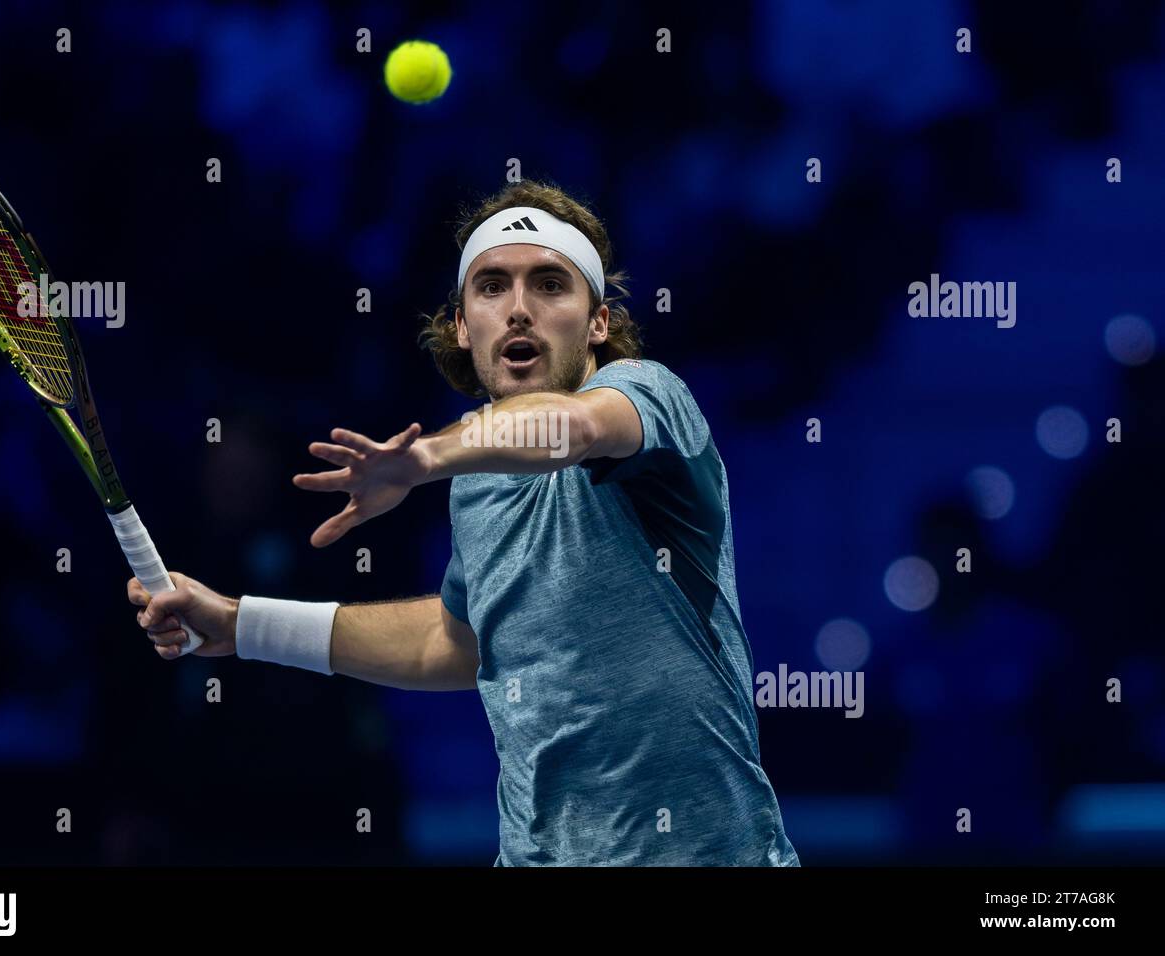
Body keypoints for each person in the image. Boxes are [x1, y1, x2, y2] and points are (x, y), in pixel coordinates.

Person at [129, 180, 799, 866]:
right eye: (491, 287)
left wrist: (422, 458)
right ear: (460, 323)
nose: (518, 310)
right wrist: (244, 624)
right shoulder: (477, 483)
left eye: (549, 285)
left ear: (598, 321)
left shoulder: (648, 398)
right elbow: (457, 641)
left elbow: (572, 426)